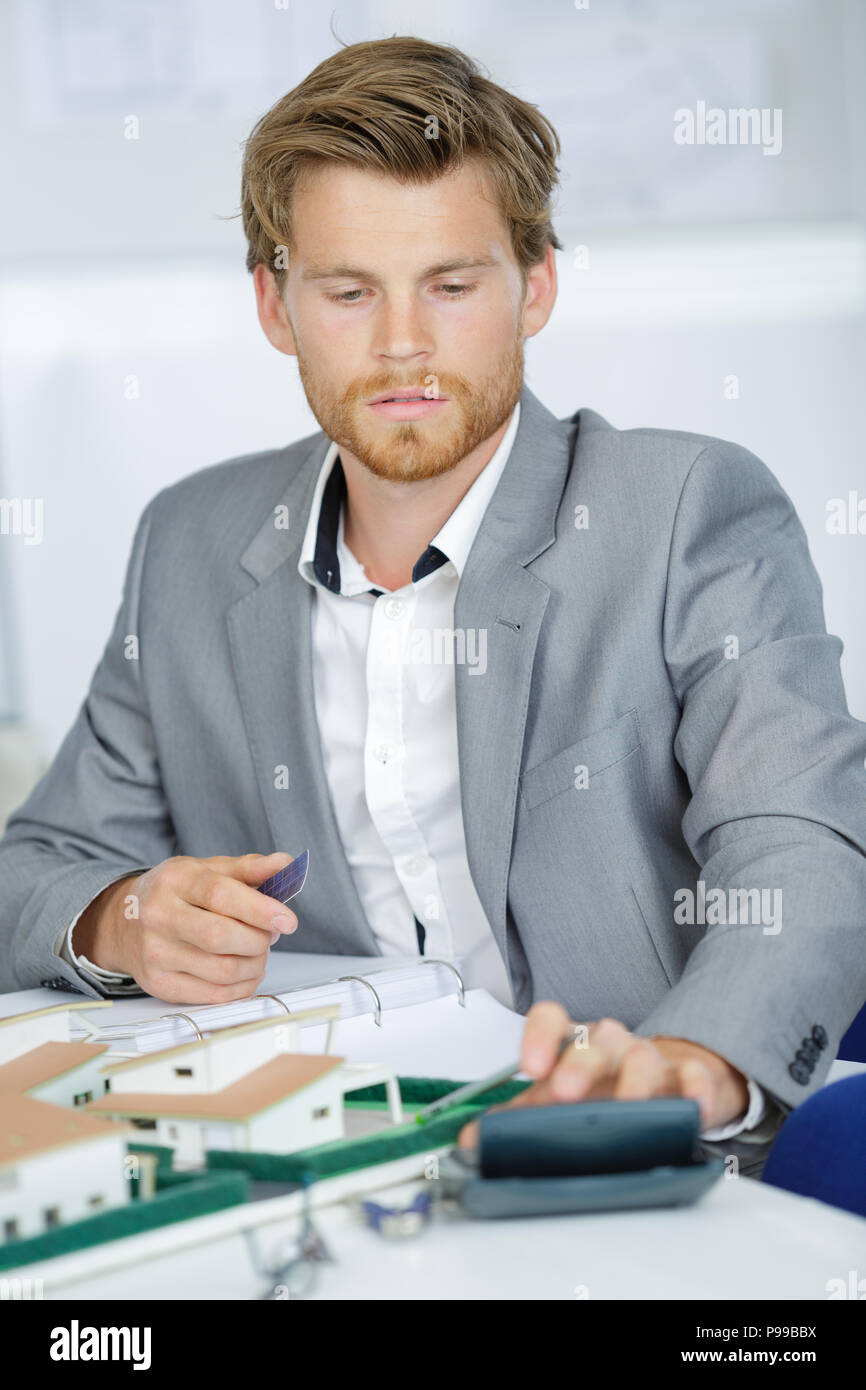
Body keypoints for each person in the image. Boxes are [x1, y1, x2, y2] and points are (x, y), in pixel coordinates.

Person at [2, 37, 864, 1175]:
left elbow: (799, 840)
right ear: (274, 303)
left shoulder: (683, 509)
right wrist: (118, 918)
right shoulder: (191, 541)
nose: (403, 344)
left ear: (535, 285)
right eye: (349, 291)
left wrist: (692, 1064)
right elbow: (38, 862)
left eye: (452, 286)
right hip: (327, 1157)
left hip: (625, 1154)